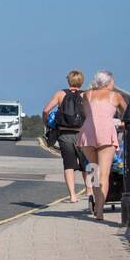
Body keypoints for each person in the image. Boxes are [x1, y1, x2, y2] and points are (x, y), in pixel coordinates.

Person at [77, 70, 127, 221]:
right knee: (104, 174)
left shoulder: (88, 95)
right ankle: (99, 210)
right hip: (106, 132)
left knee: (93, 169)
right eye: (112, 81)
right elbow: (127, 112)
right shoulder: (115, 96)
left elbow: (84, 112)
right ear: (108, 83)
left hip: (88, 131)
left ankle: (94, 199)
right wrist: (121, 123)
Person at [41, 70, 92, 203]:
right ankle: (90, 190)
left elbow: (46, 110)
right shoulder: (86, 94)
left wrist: (46, 122)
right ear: (82, 81)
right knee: (88, 162)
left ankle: (73, 195)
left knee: (68, 165)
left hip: (64, 134)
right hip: (83, 134)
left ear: (68, 80)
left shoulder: (60, 94)